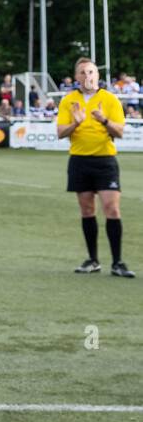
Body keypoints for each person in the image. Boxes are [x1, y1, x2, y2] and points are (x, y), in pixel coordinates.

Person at [58, 57, 132, 277]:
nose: (87, 76)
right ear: (77, 76)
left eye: (91, 72)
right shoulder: (69, 100)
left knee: (112, 208)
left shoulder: (110, 100)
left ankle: (117, 262)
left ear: (97, 75)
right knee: (87, 210)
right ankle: (93, 260)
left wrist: (104, 121)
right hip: (79, 160)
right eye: (82, 72)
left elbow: (119, 132)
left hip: (105, 160)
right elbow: (60, 132)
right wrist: (76, 123)